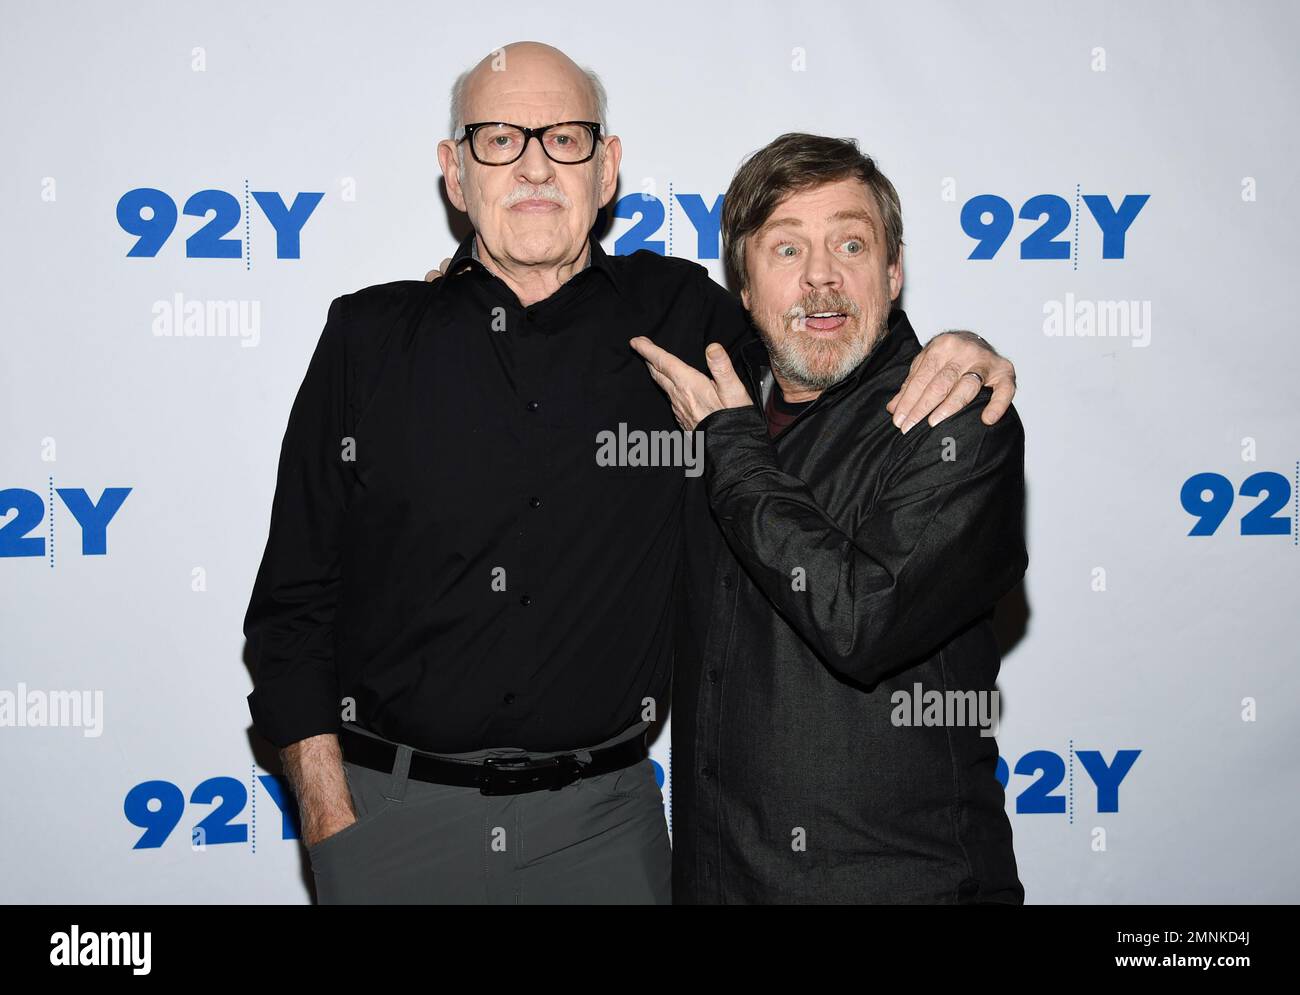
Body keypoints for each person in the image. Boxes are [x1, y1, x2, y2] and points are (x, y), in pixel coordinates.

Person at [245, 41, 1014, 904]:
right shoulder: (368, 339)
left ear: (606, 169)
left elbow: (822, 323)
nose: (535, 164)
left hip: (606, 834)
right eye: (499, 139)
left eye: (566, 138)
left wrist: (964, 352)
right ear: (454, 173)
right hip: (391, 820)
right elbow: (291, 605)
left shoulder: (687, 318)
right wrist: (329, 824)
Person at [631, 133, 1027, 903]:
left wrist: (732, 452)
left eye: (850, 242)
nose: (820, 276)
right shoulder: (719, 397)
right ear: (743, 287)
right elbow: (572, 293)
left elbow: (862, 619)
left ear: (893, 271)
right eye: (785, 250)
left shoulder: (958, 419)